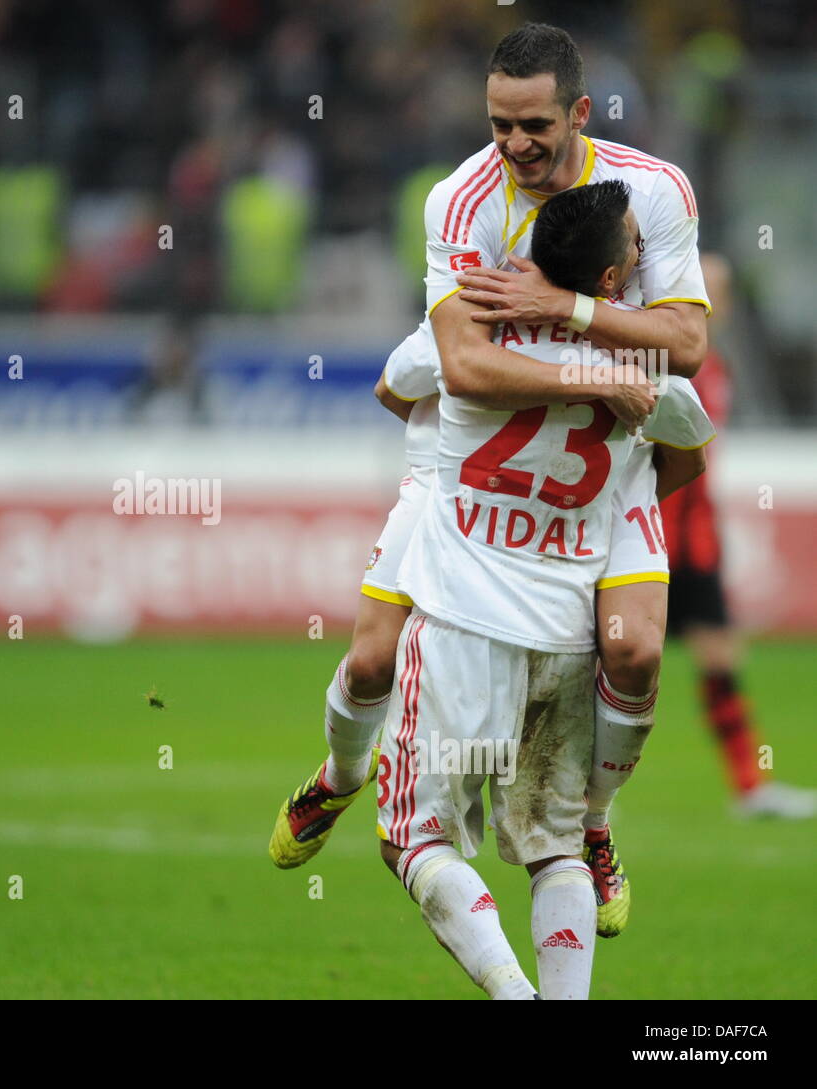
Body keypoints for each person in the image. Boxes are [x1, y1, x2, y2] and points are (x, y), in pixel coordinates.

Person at [270, 23, 712, 939]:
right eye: (498, 124)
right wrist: (575, 384)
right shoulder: (462, 203)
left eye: (534, 125)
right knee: (369, 659)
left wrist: (568, 313)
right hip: (461, 469)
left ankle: (590, 825)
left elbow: (690, 349)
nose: (514, 146)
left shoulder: (654, 194)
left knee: (633, 653)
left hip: (604, 469)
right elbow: (429, 377)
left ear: (580, 112)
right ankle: (341, 777)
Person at [376, 180, 712, 999]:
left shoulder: (472, 334)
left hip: (462, 623)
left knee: (416, 842)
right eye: (633, 247)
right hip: (567, 632)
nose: (642, 257)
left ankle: (514, 994)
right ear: (606, 283)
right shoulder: (642, 370)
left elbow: (397, 384)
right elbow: (692, 447)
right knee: (555, 847)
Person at [661, 254, 817, 819]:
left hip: (697, 543)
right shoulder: (664, 362)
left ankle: (751, 786)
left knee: (721, 659)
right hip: (649, 540)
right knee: (605, 673)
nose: (712, 301)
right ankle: (575, 796)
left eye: (720, 291)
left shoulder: (715, 365)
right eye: (704, 289)